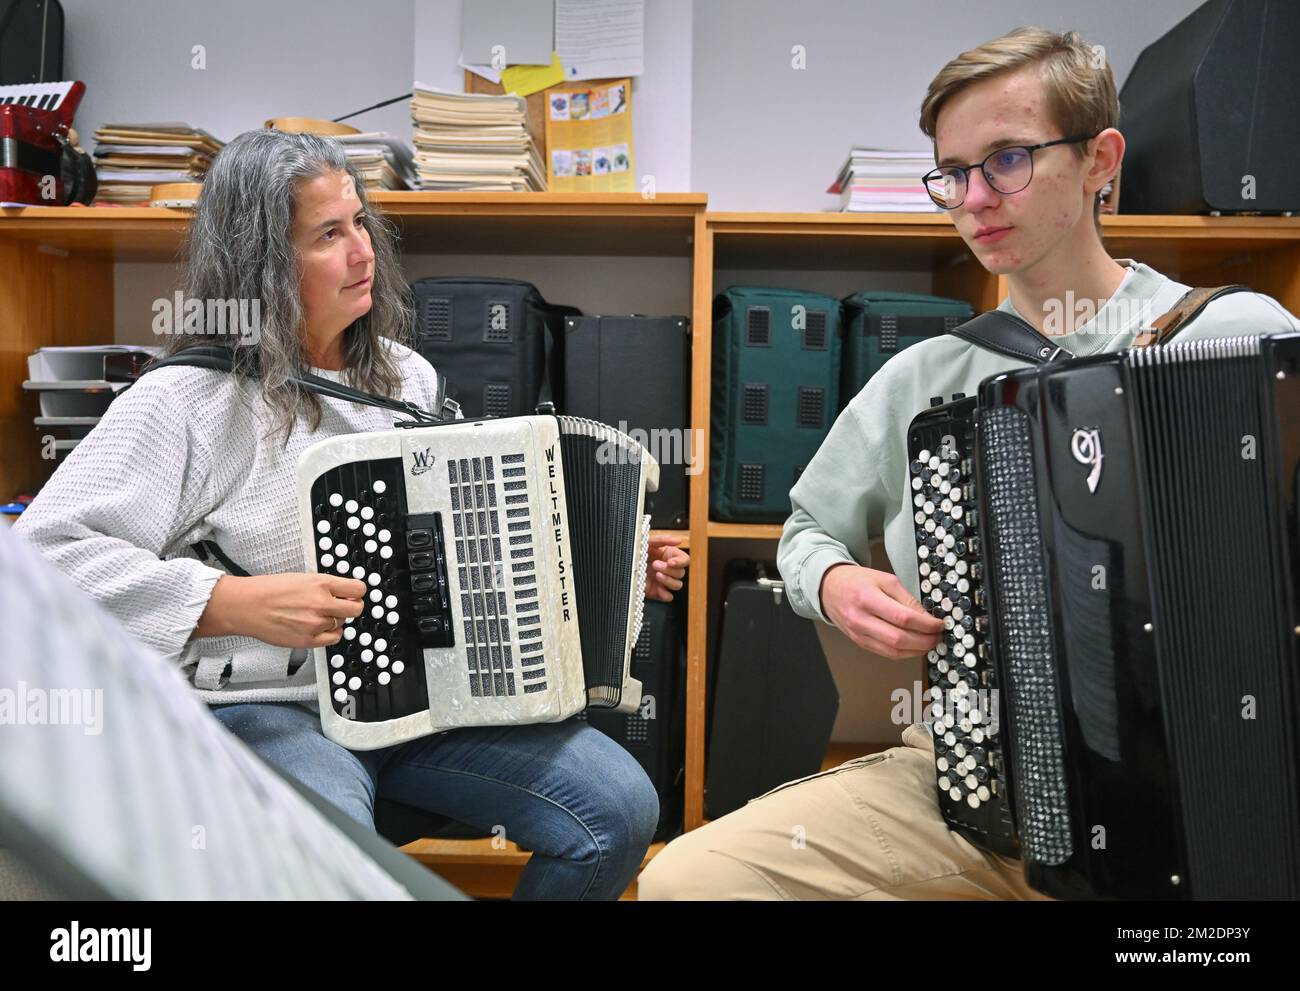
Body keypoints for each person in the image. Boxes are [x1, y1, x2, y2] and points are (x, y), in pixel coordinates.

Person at [638, 25, 1300, 901]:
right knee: (691, 880)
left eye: (1009, 160)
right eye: (953, 173)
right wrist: (835, 583)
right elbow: (805, 532)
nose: (975, 197)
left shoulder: (1242, 335)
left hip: (1222, 792)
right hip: (978, 787)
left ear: (1102, 159)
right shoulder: (924, 378)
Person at [14, 128, 689, 901]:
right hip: (269, 712)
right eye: (329, 235)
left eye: (360, 222)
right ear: (263, 263)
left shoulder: (407, 378)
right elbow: (43, 556)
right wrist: (224, 603)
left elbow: (473, 546)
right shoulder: (185, 401)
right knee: (332, 880)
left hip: (425, 706)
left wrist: (616, 564)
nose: (363, 251)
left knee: (621, 808)